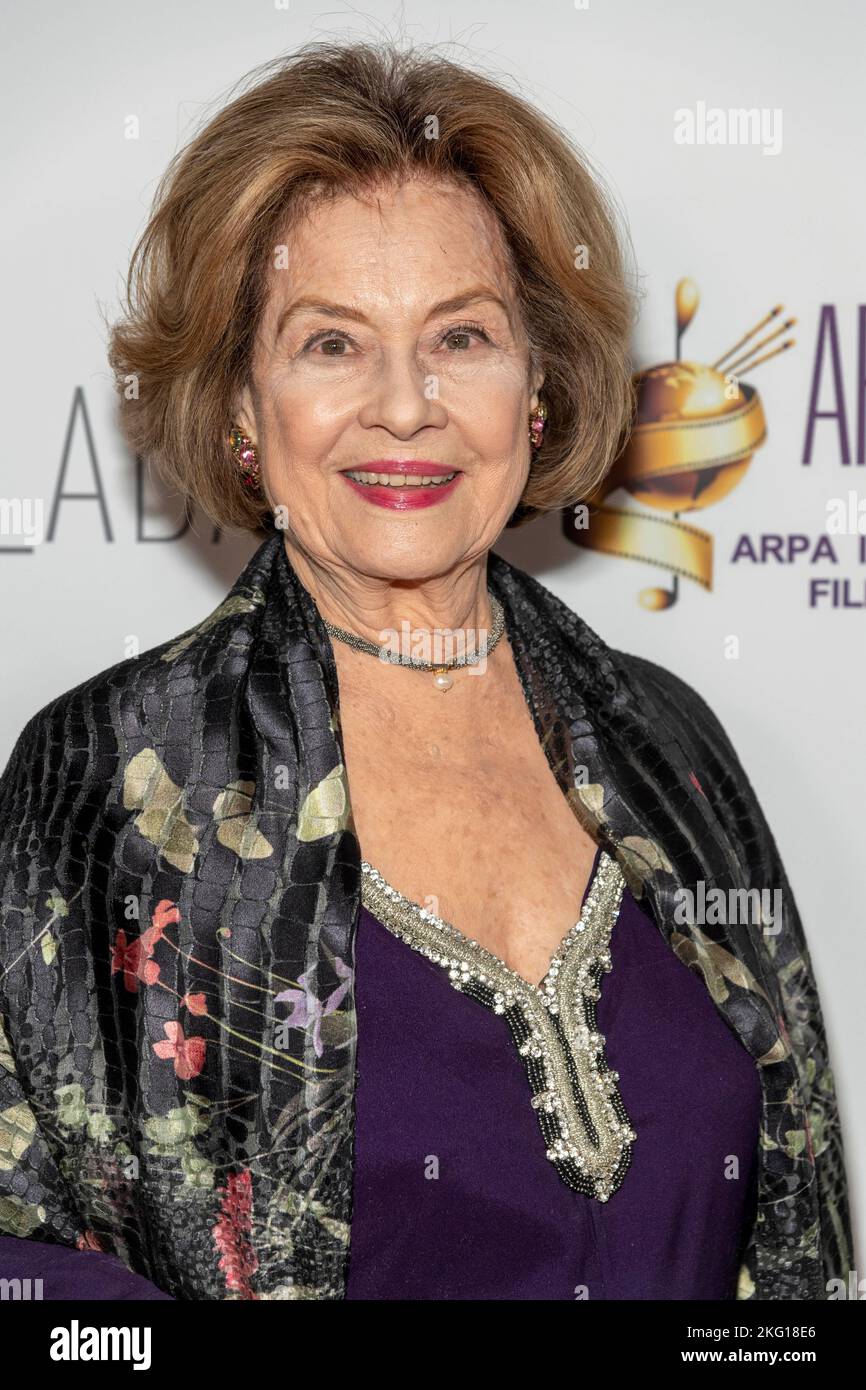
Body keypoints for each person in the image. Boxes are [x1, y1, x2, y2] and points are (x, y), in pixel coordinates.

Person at [0, 40, 852, 1301]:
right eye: (331, 344)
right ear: (242, 403)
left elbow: (794, 1246)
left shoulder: (667, 745)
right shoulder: (109, 781)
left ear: (539, 388)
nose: (405, 406)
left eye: (460, 335)